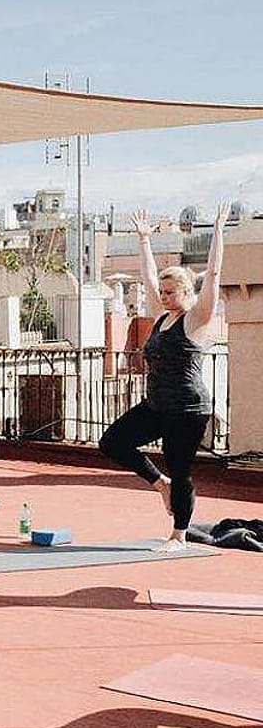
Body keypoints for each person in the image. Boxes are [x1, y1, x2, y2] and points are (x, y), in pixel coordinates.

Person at [99, 204, 226, 553]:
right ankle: (159, 484)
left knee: (181, 469)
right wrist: (143, 240)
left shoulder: (195, 318)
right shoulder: (160, 318)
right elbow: (148, 278)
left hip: (187, 409)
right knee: (112, 442)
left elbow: (213, 275)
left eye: (171, 292)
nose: (164, 296)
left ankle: (179, 535)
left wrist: (217, 231)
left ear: (186, 291)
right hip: (156, 404)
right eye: (163, 292)